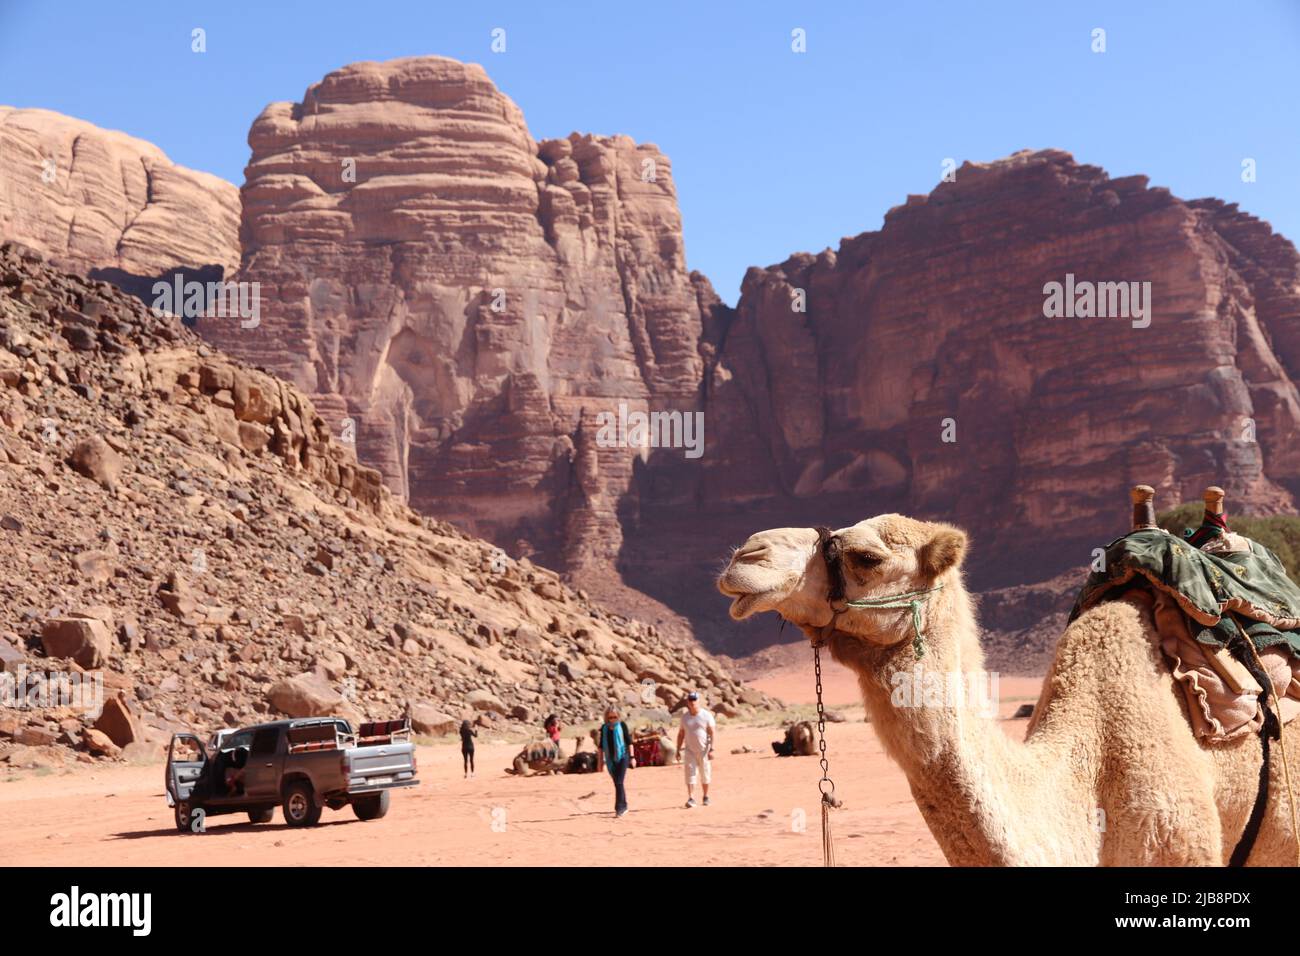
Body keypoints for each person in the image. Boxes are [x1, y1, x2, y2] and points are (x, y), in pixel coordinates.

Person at [676, 692, 716, 808]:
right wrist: (678, 749)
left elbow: (712, 732)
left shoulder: (706, 715)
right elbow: (681, 734)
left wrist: (712, 749)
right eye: (690, 700)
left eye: (695, 700)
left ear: (698, 701)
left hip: (704, 749)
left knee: (705, 773)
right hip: (689, 750)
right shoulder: (685, 717)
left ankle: (705, 796)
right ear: (688, 703)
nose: (693, 702)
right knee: (690, 773)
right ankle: (691, 798)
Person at [596, 707, 633, 817]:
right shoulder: (604, 728)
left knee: (619, 782)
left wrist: (632, 757)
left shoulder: (622, 726)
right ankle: (624, 805)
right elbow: (601, 746)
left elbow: (629, 742)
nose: (612, 719)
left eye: (615, 717)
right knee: (617, 783)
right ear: (607, 717)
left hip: (623, 756)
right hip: (610, 759)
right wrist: (600, 762)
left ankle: (619, 808)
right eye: (610, 717)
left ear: (618, 716)